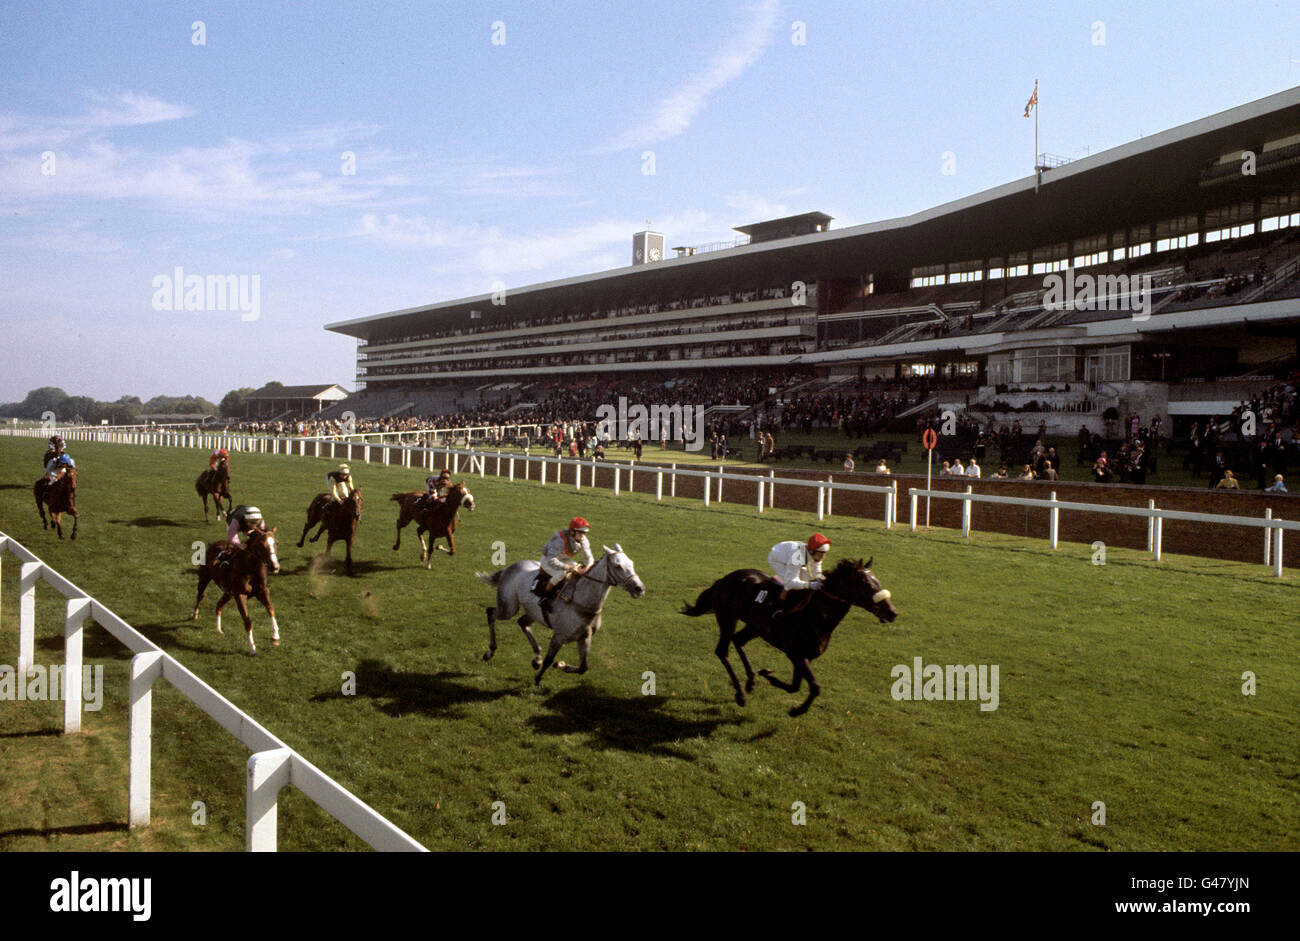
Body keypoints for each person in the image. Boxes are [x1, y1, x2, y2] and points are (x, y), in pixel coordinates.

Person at [534, 517, 594, 615]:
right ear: (572, 532)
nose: (583, 536)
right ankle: (544, 598)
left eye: (584, 533)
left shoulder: (583, 540)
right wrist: (569, 568)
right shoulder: (559, 539)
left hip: (564, 558)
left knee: (579, 569)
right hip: (548, 560)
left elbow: (589, 558)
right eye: (580, 533)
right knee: (561, 574)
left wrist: (587, 568)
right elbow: (551, 560)